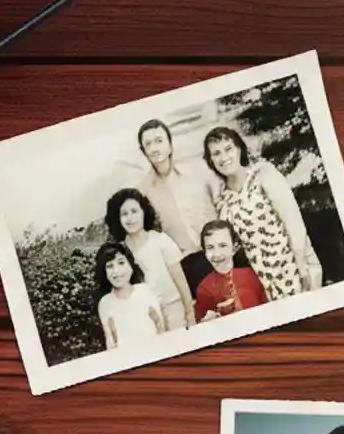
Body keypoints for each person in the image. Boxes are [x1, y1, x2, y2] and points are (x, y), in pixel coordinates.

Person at [203, 126, 322, 300]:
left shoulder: (263, 174)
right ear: (211, 160)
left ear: (239, 149)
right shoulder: (223, 200)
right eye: (216, 153)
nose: (224, 157)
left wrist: (302, 266)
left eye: (228, 149)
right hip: (265, 283)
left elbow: (293, 221)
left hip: (295, 268)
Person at [134, 118, 228, 297]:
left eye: (159, 141)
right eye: (148, 144)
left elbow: (222, 202)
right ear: (143, 151)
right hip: (189, 265)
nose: (155, 148)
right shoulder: (143, 192)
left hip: (221, 251)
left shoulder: (198, 172)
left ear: (170, 144)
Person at [105, 188, 195, 331]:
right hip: (145, 314)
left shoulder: (160, 240)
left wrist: (189, 310)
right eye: (124, 214)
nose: (130, 218)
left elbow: (179, 278)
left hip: (173, 308)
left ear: (143, 212)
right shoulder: (121, 252)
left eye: (134, 211)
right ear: (117, 219)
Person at [193, 220, 268, 322]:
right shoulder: (204, 289)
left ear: (235, 247)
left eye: (223, 246)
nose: (217, 254)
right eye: (210, 247)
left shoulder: (252, 274)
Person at [92, 241, 162, 349]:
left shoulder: (145, 291)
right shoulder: (105, 303)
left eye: (121, 263)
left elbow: (161, 327)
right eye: (110, 266)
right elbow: (111, 342)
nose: (116, 271)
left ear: (131, 265)